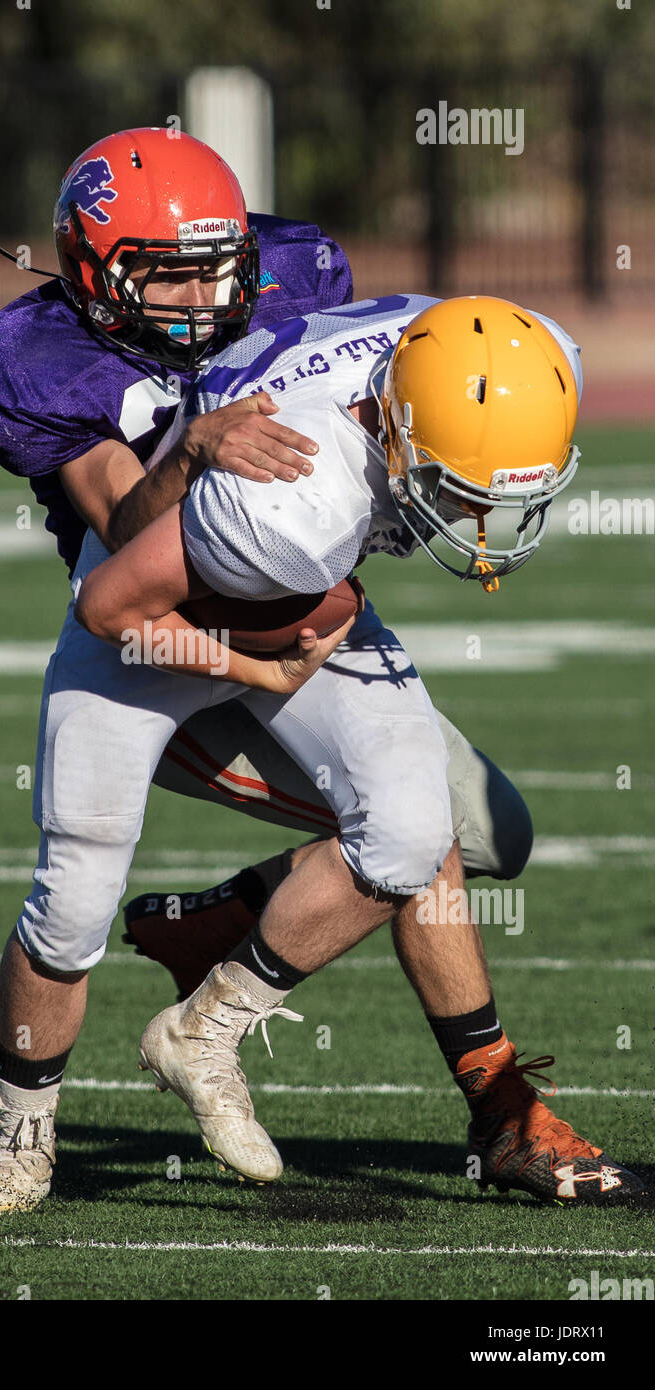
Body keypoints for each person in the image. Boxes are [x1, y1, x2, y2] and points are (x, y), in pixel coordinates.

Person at [0, 128, 533, 1215]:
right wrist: (196, 453)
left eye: (216, 264)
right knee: (72, 892)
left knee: (423, 832)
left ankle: (207, 1023)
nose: (203, 291)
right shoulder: (31, 357)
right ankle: (21, 1135)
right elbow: (120, 551)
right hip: (142, 610)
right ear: (90, 269)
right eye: (166, 272)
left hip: (287, 585)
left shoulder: (295, 264)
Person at [75, 292, 643, 1205]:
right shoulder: (295, 502)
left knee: (469, 834)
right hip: (174, 637)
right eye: (461, 486)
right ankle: (478, 1105)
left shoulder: (526, 353)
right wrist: (258, 673)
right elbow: (108, 609)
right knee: (414, 831)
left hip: (297, 578)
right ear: (398, 428)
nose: (478, 515)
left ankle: (223, 921)